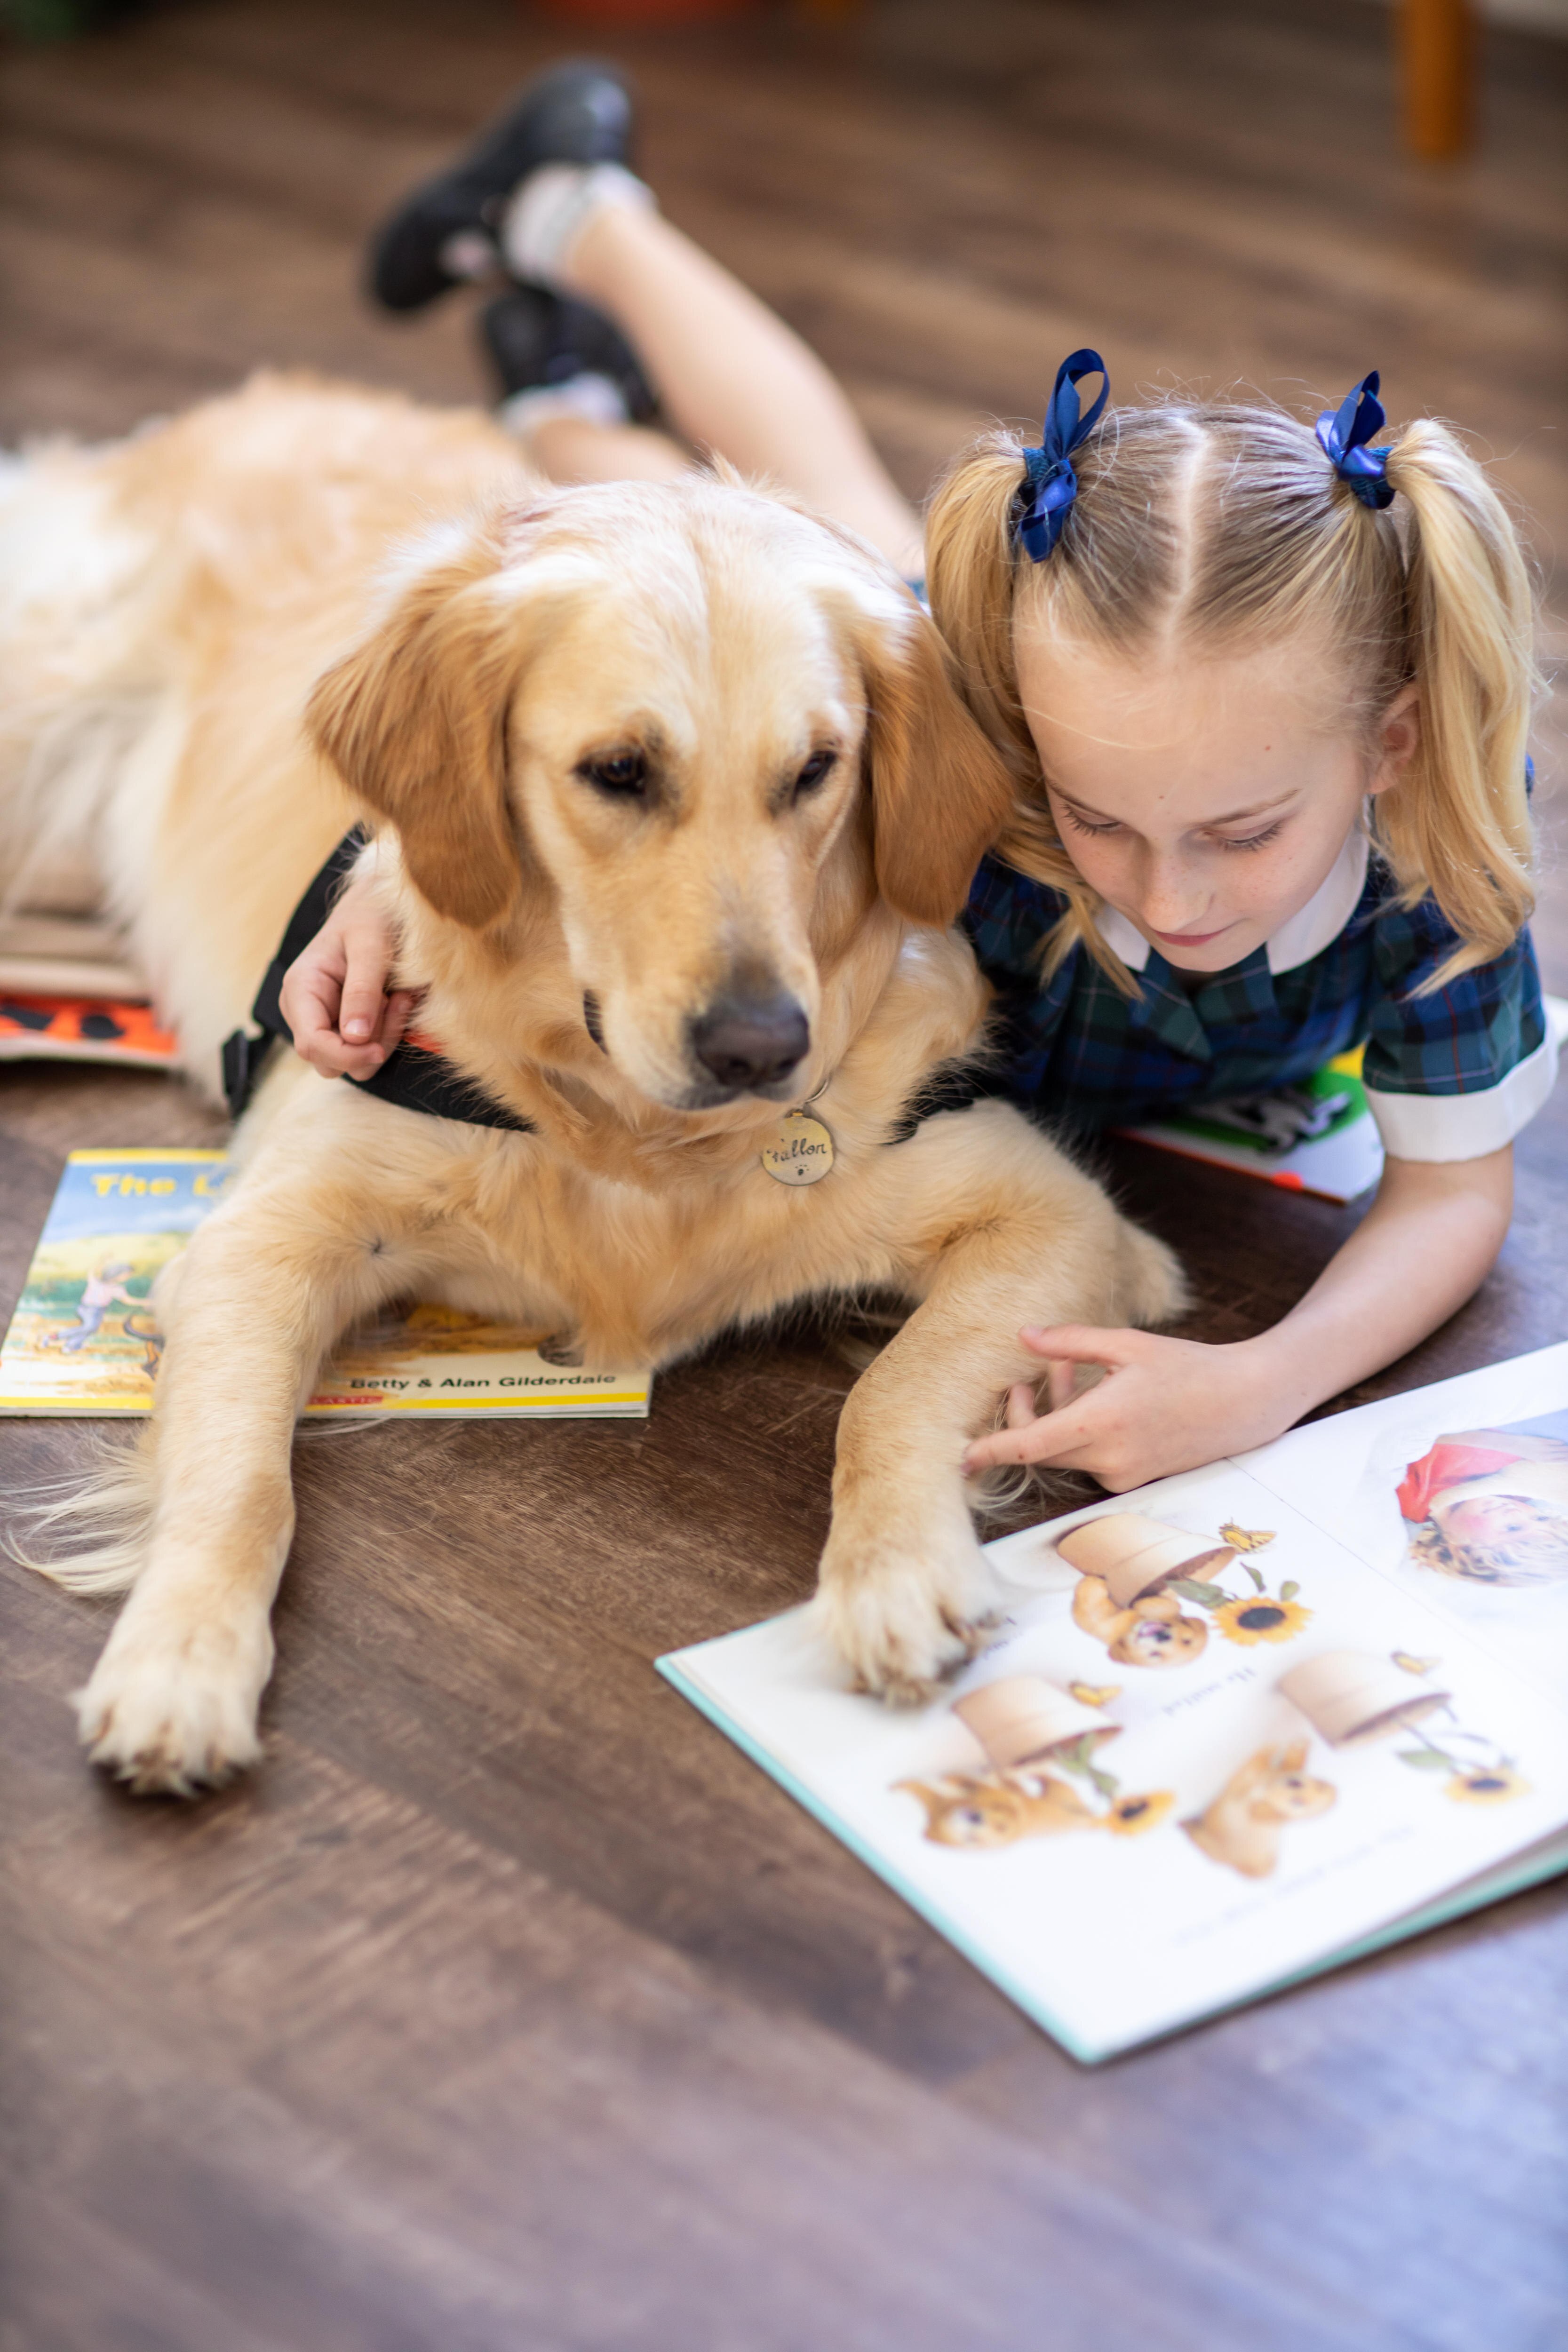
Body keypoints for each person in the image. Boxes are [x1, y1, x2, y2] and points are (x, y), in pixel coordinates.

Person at [280, 62, 1552, 1492]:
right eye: (1101, 825)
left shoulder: (1445, 872)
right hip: (941, 642)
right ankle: (576, 252)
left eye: (1245, 831)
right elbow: (543, 683)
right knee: (779, 510)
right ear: (1034, 745)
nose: (1167, 888)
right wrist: (385, 878)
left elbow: (1456, 1197)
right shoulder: (982, 760)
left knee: (823, 488)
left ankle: (566, 309)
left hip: (983, 653)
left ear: (1387, 747)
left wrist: (1269, 1382)